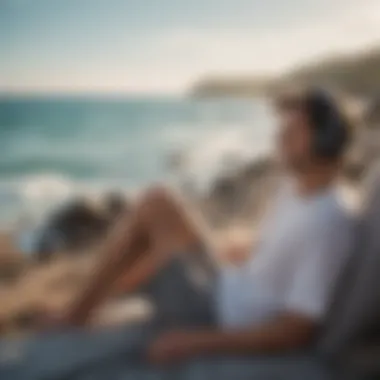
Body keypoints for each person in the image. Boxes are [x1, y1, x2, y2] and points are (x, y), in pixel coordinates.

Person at [42, 86, 353, 366]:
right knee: (160, 214)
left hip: (217, 315)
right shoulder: (295, 187)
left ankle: (78, 314)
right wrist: (233, 252)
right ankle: (93, 304)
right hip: (226, 286)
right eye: (282, 127)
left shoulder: (328, 223)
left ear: (324, 143)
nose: (277, 137)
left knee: (156, 203)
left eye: (291, 131)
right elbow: (274, 259)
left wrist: (194, 342)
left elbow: (295, 331)